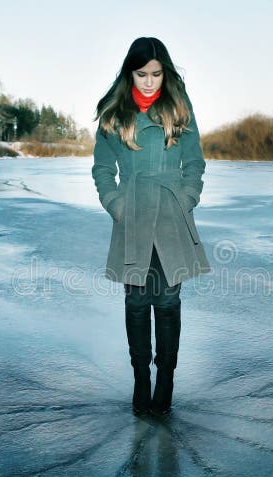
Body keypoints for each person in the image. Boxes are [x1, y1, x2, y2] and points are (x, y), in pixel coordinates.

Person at [92, 37, 211, 417]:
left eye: (156, 74)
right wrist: (116, 205)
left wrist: (186, 198)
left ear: (166, 73)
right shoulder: (115, 114)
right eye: (141, 74)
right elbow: (101, 170)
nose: (149, 81)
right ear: (130, 73)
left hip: (171, 216)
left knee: (168, 300)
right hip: (133, 217)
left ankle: (166, 382)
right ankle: (141, 381)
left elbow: (195, 163)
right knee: (137, 301)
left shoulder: (179, 109)